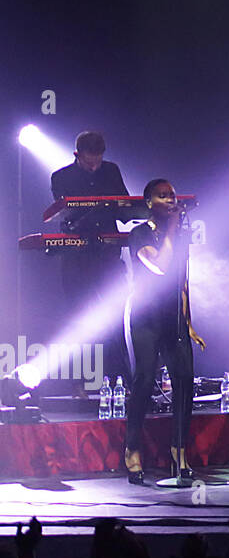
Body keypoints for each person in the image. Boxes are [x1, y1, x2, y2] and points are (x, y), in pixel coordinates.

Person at [123, 179, 205, 486]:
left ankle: (178, 448)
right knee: (144, 380)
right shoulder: (139, 234)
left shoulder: (180, 237)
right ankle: (132, 448)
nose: (171, 200)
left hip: (173, 318)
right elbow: (159, 265)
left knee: (183, 380)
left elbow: (182, 283)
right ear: (149, 203)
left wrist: (190, 323)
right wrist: (171, 231)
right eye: (163, 196)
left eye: (172, 195)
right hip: (145, 317)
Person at [50, 131, 131, 385]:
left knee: (116, 320)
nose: (95, 166)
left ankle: (123, 382)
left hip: (108, 256)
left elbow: (125, 205)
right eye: (89, 161)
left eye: (98, 160)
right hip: (78, 259)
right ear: (77, 155)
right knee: (79, 320)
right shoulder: (61, 177)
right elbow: (66, 214)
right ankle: (79, 385)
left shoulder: (111, 171)